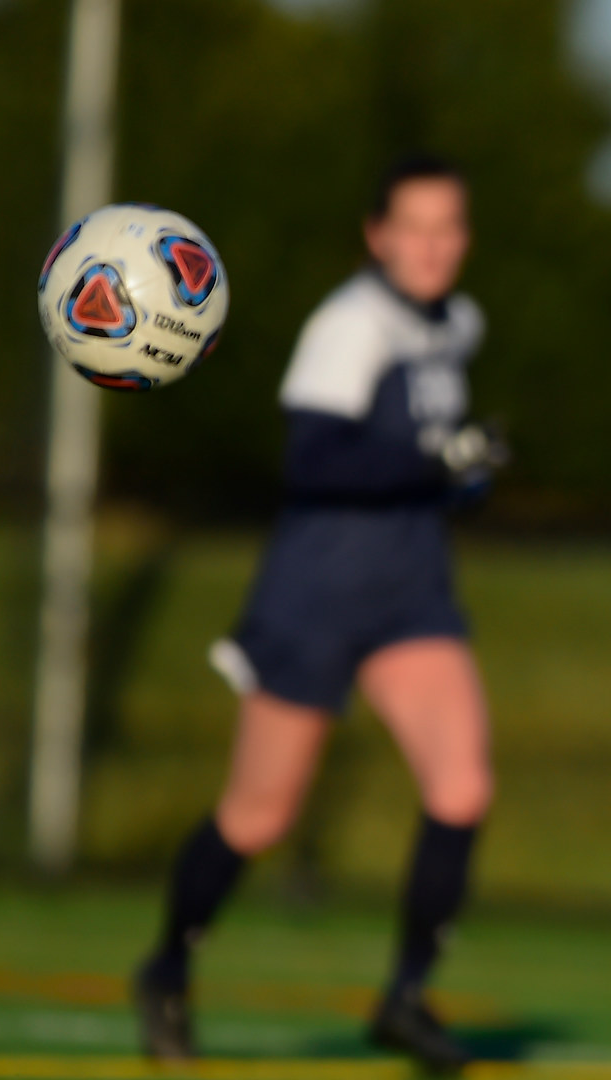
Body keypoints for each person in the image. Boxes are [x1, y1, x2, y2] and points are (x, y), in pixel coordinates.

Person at [132, 154, 504, 1073]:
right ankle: (168, 968)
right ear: (377, 236)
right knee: (258, 819)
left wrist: (467, 475)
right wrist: (439, 462)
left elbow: (422, 465)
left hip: (411, 590)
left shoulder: (457, 323)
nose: (431, 246)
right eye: (411, 227)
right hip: (318, 593)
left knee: (462, 789)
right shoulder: (349, 323)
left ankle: (407, 998)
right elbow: (314, 461)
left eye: (448, 227)